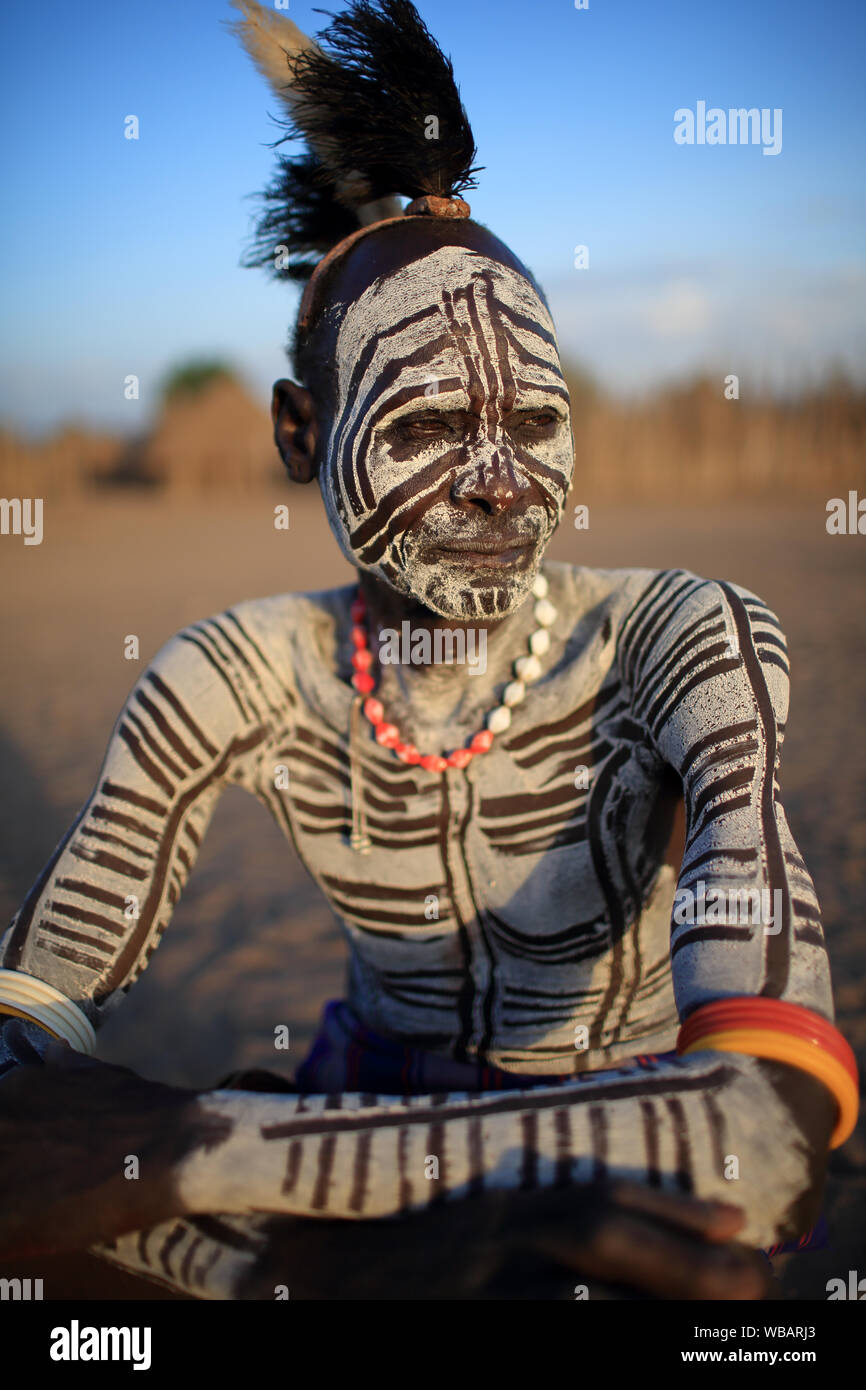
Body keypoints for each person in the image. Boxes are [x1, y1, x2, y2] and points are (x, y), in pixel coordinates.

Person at [0, 0, 855, 1301]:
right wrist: (389, 1234)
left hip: (606, 1179)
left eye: (538, 418)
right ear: (299, 434)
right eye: (434, 419)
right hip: (386, 1134)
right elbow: (19, 1074)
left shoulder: (682, 635)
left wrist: (187, 1148)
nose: (505, 484)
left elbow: (768, 1128)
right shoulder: (233, 672)